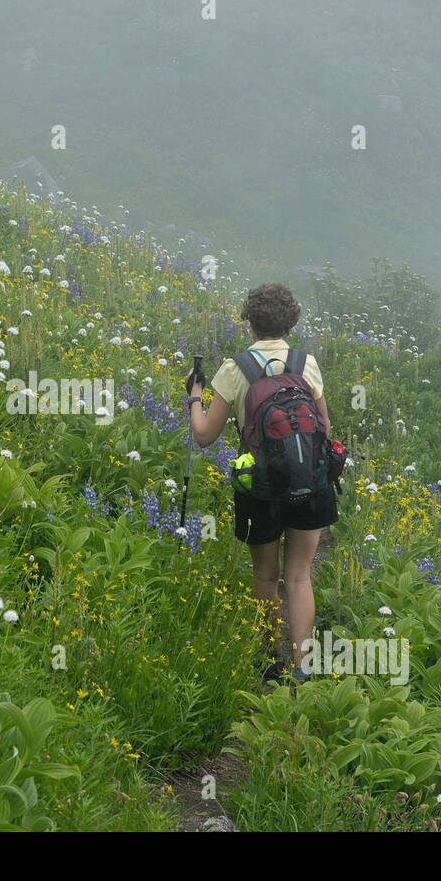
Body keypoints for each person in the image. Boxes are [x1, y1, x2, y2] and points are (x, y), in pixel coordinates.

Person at [185, 282, 337, 681]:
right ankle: (303, 669)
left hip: (261, 489)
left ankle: (269, 659)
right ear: (291, 320)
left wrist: (194, 396)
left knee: (265, 575)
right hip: (310, 481)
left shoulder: (236, 369)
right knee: (300, 576)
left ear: (249, 320)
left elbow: (204, 436)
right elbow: (324, 426)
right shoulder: (307, 363)